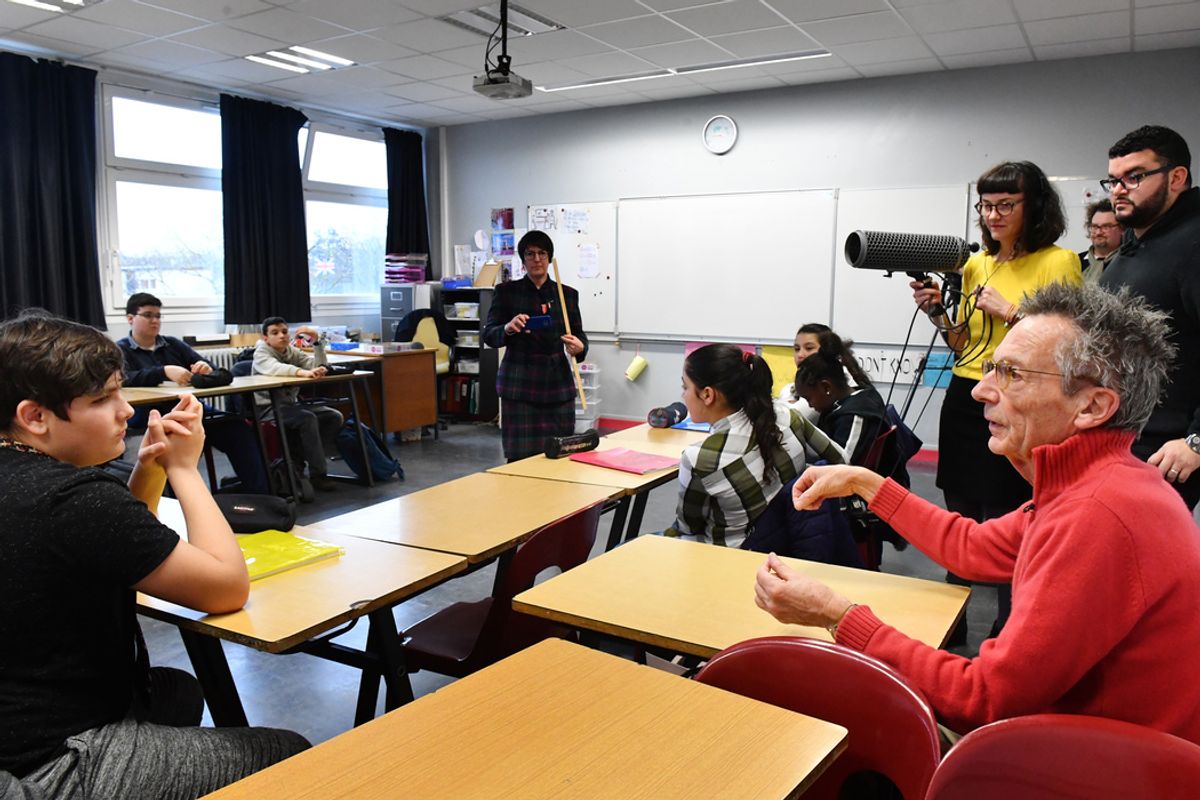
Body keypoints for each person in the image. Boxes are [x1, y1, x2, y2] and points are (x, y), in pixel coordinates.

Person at [754, 283, 1200, 744]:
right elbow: (972, 548)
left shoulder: (1097, 512)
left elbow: (985, 699)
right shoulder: (1104, 484)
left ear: (1093, 406)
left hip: (1108, 770)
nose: (982, 391)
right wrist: (863, 481)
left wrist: (836, 615)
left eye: (1012, 374)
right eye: (991, 369)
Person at [0, 310, 308, 798]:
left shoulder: (30, 479)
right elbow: (226, 587)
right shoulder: (72, 497)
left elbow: (114, 547)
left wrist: (150, 471)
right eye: (103, 399)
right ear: (35, 416)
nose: (127, 411)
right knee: (289, 752)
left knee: (176, 691)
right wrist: (185, 470)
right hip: (43, 758)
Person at [911, 161, 1082, 640]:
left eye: (1006, 204)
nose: (993, 215)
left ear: (1035, 206)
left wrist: (1010, 311)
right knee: (958, 507)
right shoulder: (974, 264)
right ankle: (953, 628)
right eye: (986, 205)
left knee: (1010, 513)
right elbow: (962, 345)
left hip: (1021, 397)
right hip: (966, 393)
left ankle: (1010, 633)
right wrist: (937, 313)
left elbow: (1066, 340)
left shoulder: (1059, 262)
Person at [1099, 125, 1200, 511]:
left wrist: (1196, 441)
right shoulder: (1135, 244)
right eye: (1113, 180)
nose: (1119, 189)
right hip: (1118, 438)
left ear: (1176, 178)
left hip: (1164, 450)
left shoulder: (1193, 244)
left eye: (1134, 177)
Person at [664, 344, 846, 549]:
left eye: (685, 387)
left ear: (707, 394)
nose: (683, 396)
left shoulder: (699, 458)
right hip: (791, 541)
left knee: (627, 547)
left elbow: (688, 527)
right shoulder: (787, 416)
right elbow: (841, 459)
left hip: (730, 557)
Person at [117, 292, 269, 494]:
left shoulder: (172, 344)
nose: (155, 321)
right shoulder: (120, 350)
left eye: (158, 316)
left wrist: (206, 368)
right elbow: (122, 378)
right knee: (161, 451)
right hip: (149, 419)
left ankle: (260, 496)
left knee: (239, 431)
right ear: (130, 319)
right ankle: (175, 510)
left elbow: (221, 373)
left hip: (191, 414)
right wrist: (162, 372)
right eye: (148, 315)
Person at [482, 231, 587, 461]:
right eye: (530, 254)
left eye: (542, 253)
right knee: (520, 460)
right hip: (520, 387)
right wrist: (508, 328)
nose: (537, 259)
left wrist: (579, 347)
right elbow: (489, 335)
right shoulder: (506, 292)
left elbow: (579, 336)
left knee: (560, 456)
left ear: (549, 258)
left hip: (557, 388)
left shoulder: (567, 295)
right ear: (523, 259)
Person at [252, 317, 343, 493]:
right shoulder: (261, 353)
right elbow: (275, 368)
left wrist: (317, 344)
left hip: (291, 406)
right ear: (265, 338)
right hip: (268, 409)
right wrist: (302, 372)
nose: (281, 336)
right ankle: (319, 475)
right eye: (275, 333)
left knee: (333, 416)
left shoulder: (292, 351)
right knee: (307, 418)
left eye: (284, 332)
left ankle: (300, 459)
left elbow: (317, 364)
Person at [793, 335, 886, 466]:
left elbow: (845, 463)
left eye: (809, 398)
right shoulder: (860, 394)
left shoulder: (854, 415)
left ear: (826, 387)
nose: (809, 405)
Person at [1078, 198, 1122, 284]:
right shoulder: (1076, 261)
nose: (1098, 232)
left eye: (1106, 227)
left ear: (1122, 229)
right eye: (1094, 226)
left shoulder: (1129, 262)